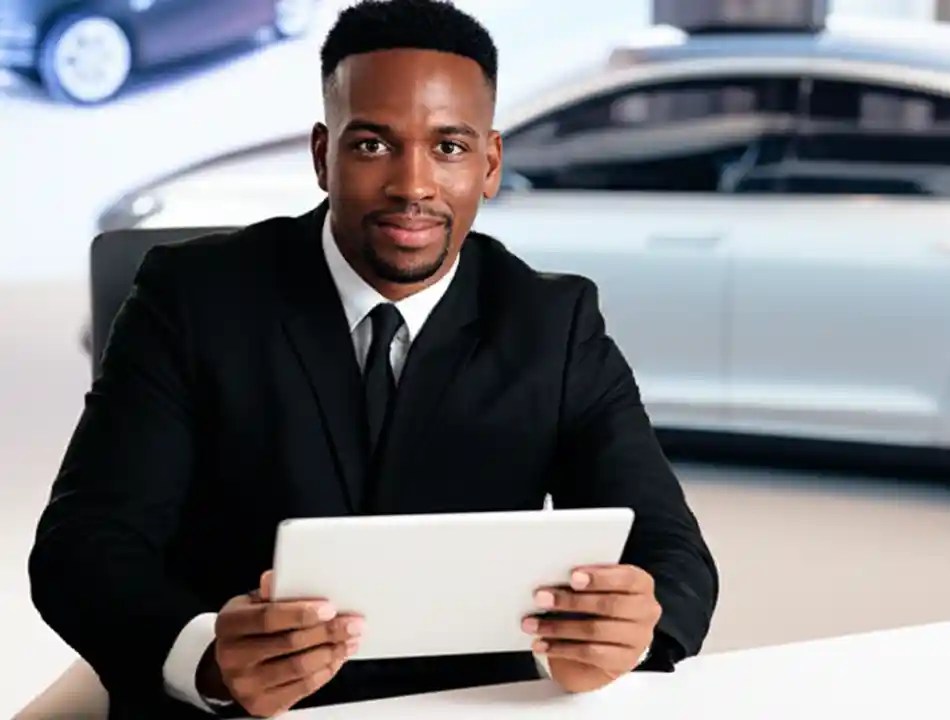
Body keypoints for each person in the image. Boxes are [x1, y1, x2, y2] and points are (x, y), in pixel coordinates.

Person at [27, 1, 718, 717]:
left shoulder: (554, 322)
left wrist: (629, 631)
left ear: (490, 164)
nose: (412, 186)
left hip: (466, 707)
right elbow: (83, 546)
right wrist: (203, 657)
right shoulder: (191, 298)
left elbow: (674, 556)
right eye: (373, 145)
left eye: (449, 147)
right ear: (323, 155)